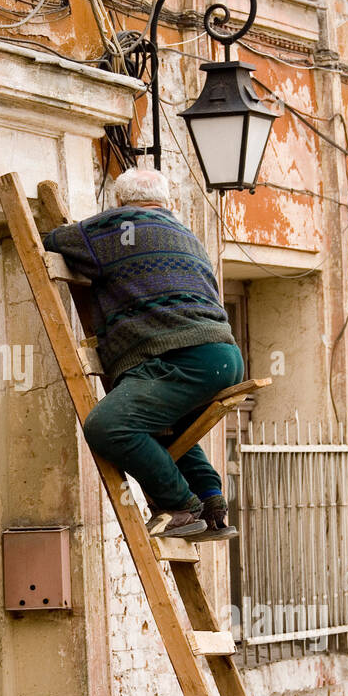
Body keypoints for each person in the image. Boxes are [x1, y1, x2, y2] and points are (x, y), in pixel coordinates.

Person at [43, 166, 242, 539]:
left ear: (119, 202)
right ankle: (212, 501)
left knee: (108, 426)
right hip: (224, 357)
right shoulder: (187, 236)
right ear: (168, 203)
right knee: (168, 426)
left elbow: (54, 241)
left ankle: (180, 507)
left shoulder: (118, 225)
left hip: (178, 355)